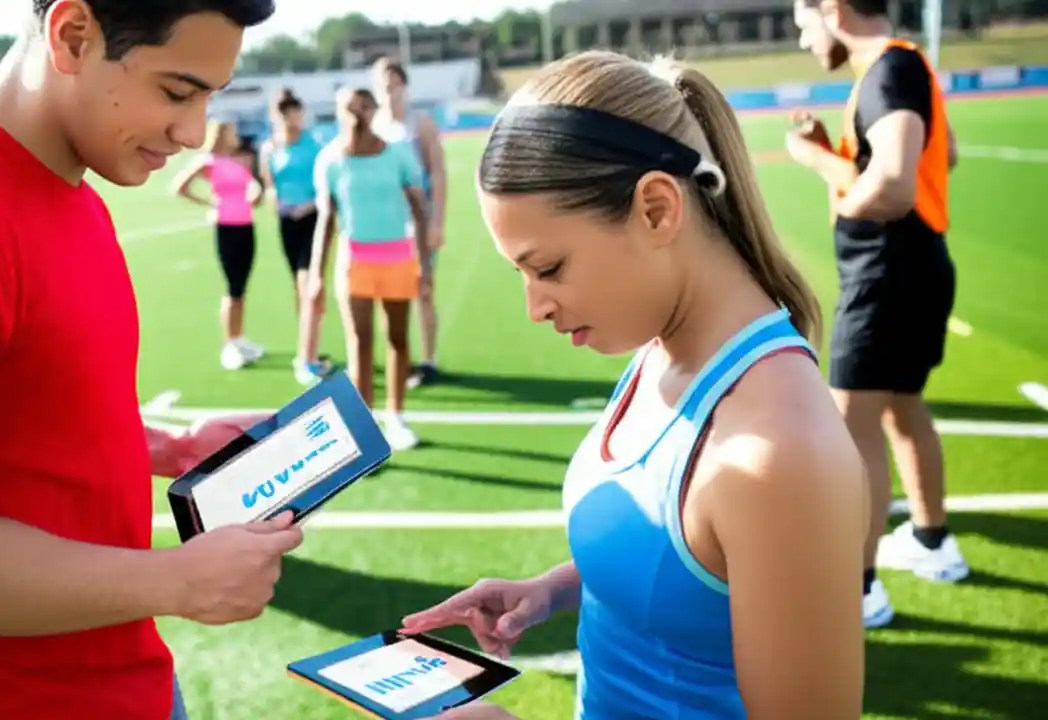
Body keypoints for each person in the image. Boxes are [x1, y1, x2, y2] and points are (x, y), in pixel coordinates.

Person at [0, 2, 304, 719]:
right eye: (176, 92)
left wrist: (171, 448)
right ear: (73, 36)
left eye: (208, 99)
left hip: (116, 679)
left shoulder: (68, 183)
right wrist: (176, 581)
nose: (194, 133)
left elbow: (29, 414)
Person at [400, 51, 866, 720]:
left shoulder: (780, 454)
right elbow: (692, 572)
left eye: (549, 268)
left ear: (655, 209)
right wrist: (555, 590)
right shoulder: (662, 349)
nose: (535, 307)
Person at [789, 0, 967, 629]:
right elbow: (940, 156)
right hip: (911, 269)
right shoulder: (900, 68)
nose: (804, 38)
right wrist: (833, 157)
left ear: (834, 9)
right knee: (901, 408)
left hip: (888, 275)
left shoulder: (890, 70)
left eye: (804, 21)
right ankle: (932, 541)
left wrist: (814, 160)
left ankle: (859, 589)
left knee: (851, 425)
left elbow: (892, 186)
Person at [306, 87, 433, 451]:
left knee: (397, 339)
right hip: (355, 264)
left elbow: (419, 210)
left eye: (364, 105)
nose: (357, 112)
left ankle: (396, 417)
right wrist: (316, 275)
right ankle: (364, 427)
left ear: (375, 109)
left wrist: (425, 266)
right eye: (349, 107)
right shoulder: (330, 161)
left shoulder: (397, 154)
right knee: (359, 343)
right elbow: (327, 220)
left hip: (398, 260)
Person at [370, 57, 448, 389]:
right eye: (383, 87)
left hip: (417, 220)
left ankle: (428, 360)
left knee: (424, 290)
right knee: (389, 295)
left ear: (404, 86)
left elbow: (438, 173)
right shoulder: (374, 126)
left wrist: (437, 221)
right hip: (384, 224)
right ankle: (399, 358)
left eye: (394, 86)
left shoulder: (421, 123)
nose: (389, 93)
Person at [172, 119, 266, 371]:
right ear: (222, 135)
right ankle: (230, 344)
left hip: (246, 225)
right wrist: (210, 203)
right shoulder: (208, 162)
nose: (236, 137)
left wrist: (256, 195)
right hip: (226, 227)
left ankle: (239, 338)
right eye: (232, 133)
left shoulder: (237, 162)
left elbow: (253, 191)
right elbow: (180, 187)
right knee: (233, 286)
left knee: (241, 287)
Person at [256, 88, 335, 384]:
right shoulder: (269, 149)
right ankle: (309, 343)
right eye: (285, 114)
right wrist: (272, 197)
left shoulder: (314, 144)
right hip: (287, 222)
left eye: (295, 113)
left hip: (313, 219)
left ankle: (306, 360)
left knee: (307, 282)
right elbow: (270, 183)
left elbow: (327, 186)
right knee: (299, 286)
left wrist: (310, 205)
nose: (292, 119)